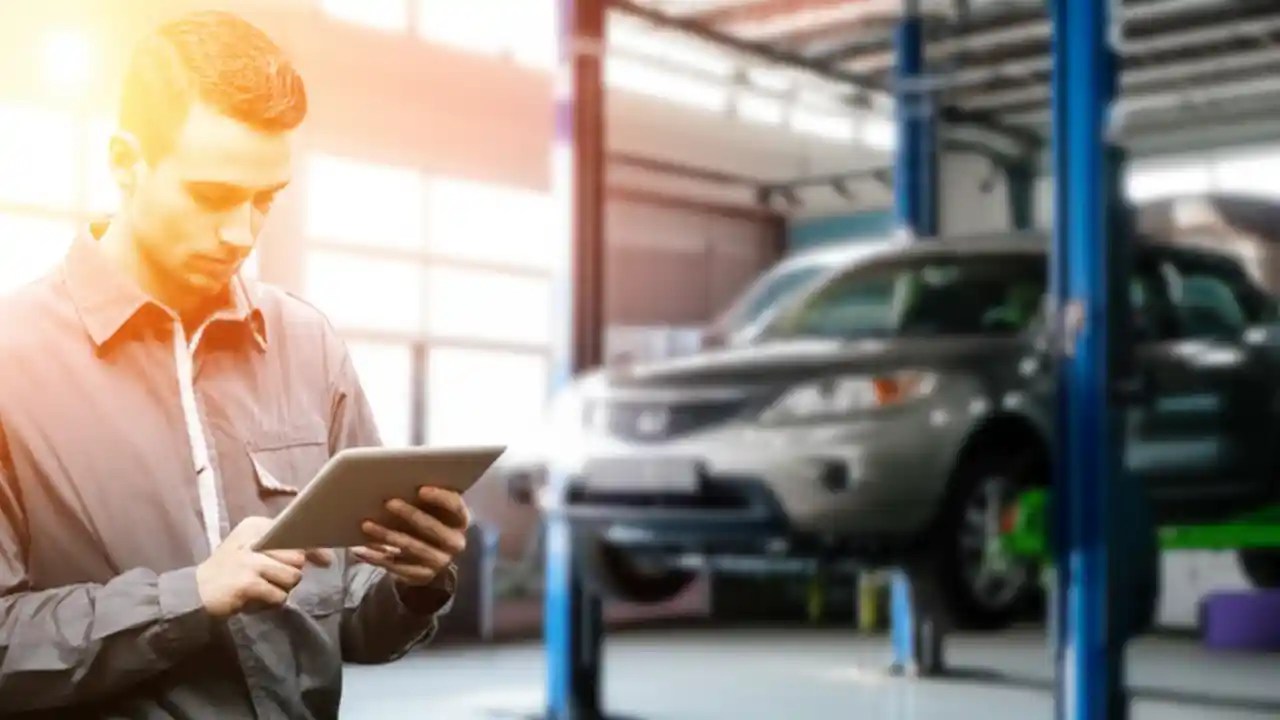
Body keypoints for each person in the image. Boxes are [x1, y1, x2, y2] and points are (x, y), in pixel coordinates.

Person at [0, 10, 470, 719]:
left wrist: (414, 581)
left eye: (265, 200)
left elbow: (351, 626)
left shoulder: (308, 348)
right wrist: (188, 596)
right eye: (213, 196)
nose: (240, 233)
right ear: (127, 162)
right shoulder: (13, 362)